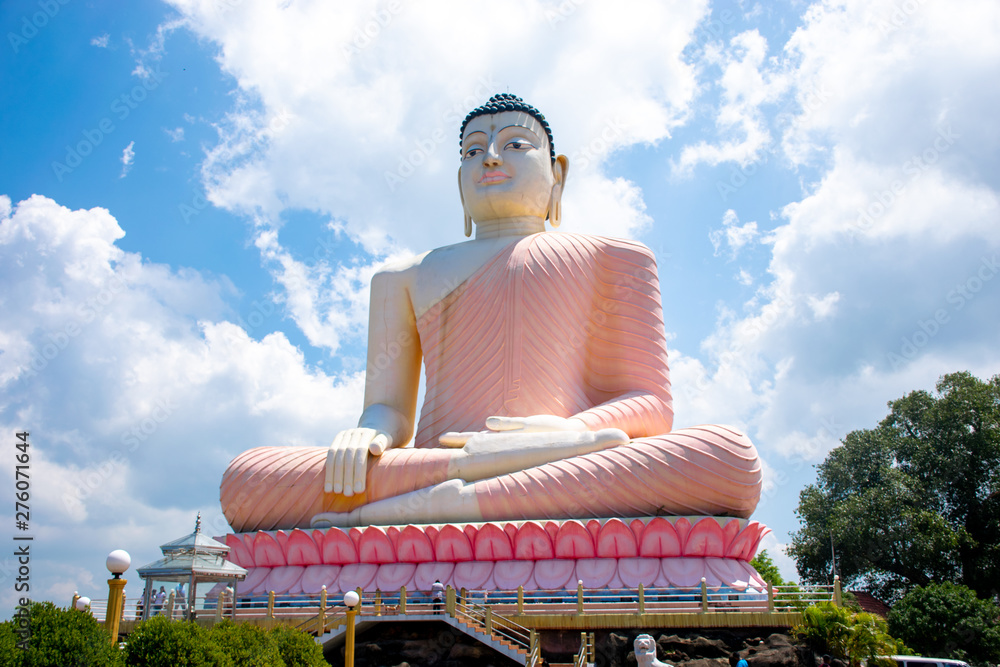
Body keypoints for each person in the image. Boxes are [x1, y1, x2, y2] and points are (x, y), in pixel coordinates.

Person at [221, 94, 762, 531]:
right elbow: (389, 410)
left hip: (572, 452)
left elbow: (650, 405)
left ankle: (413, 514)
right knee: (247, 481)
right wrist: (367, 435)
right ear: (459, 180)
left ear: (558, 173)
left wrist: (569, 432)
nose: (491, 159)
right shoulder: (403, 277)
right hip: (460, 465)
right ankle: (455, 490)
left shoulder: (615, 256)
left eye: (515, 144)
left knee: (727, 458)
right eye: (473, 151)